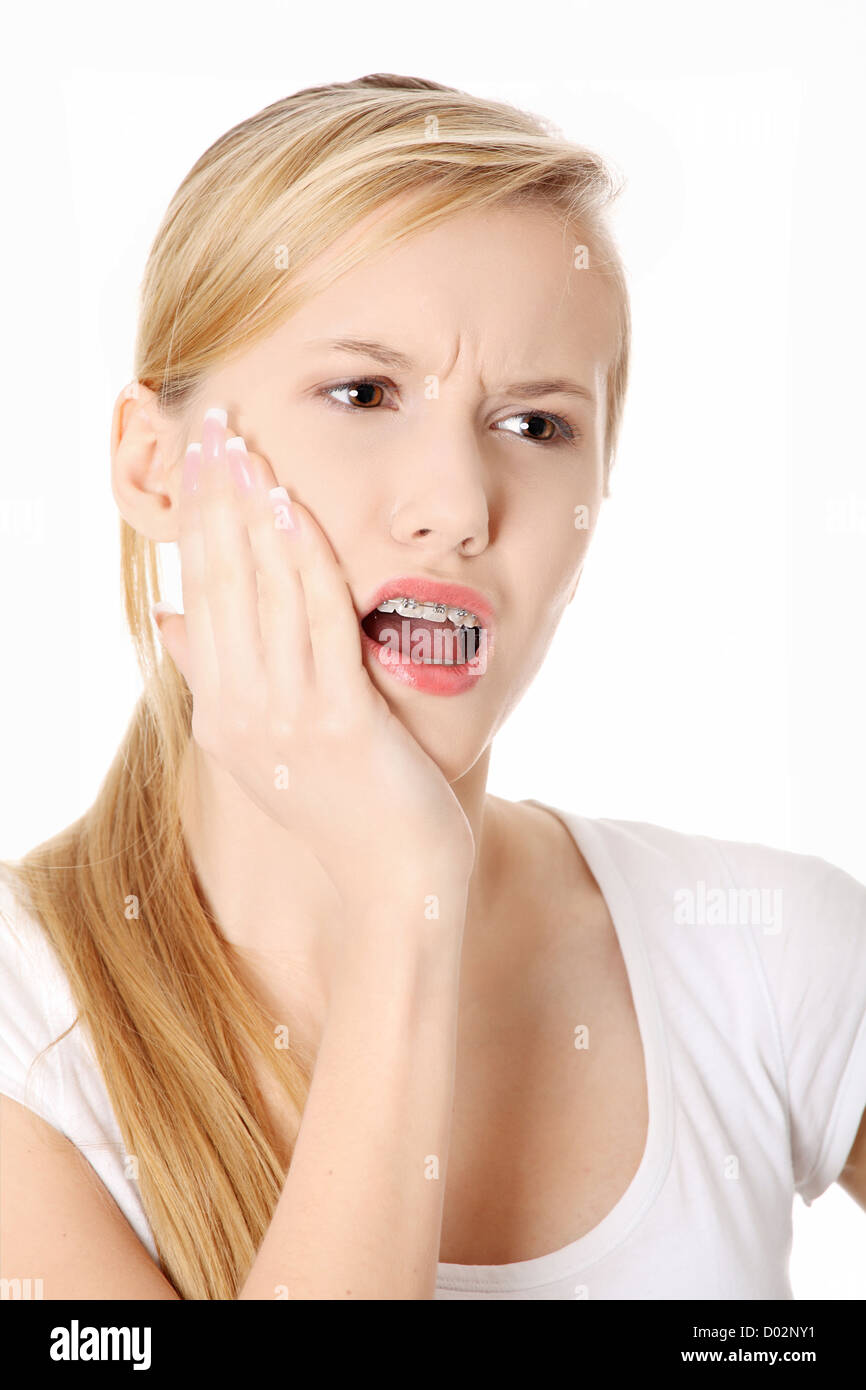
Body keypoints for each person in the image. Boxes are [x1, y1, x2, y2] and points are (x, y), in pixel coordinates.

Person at [1, 73, 864, 1302]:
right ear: (154, 468)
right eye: (361, 394)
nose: (459, 510)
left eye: (534, 425)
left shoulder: (765, 954)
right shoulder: (26, 1026)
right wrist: (406, 894)